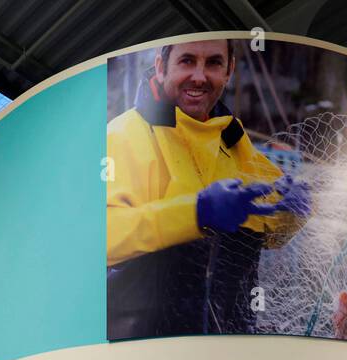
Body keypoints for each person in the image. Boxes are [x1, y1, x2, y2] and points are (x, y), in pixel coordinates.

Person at [106, 39, 309, 339]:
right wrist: (196, 213)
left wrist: (293, 212)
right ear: (162, 68)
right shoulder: (122, 135)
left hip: (230, 346)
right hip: (145, 350)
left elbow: (273, 236)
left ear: (229, 72)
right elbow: (104, 238)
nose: (199, 77)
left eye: (213, 63)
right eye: (187, 61)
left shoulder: (236, 143)